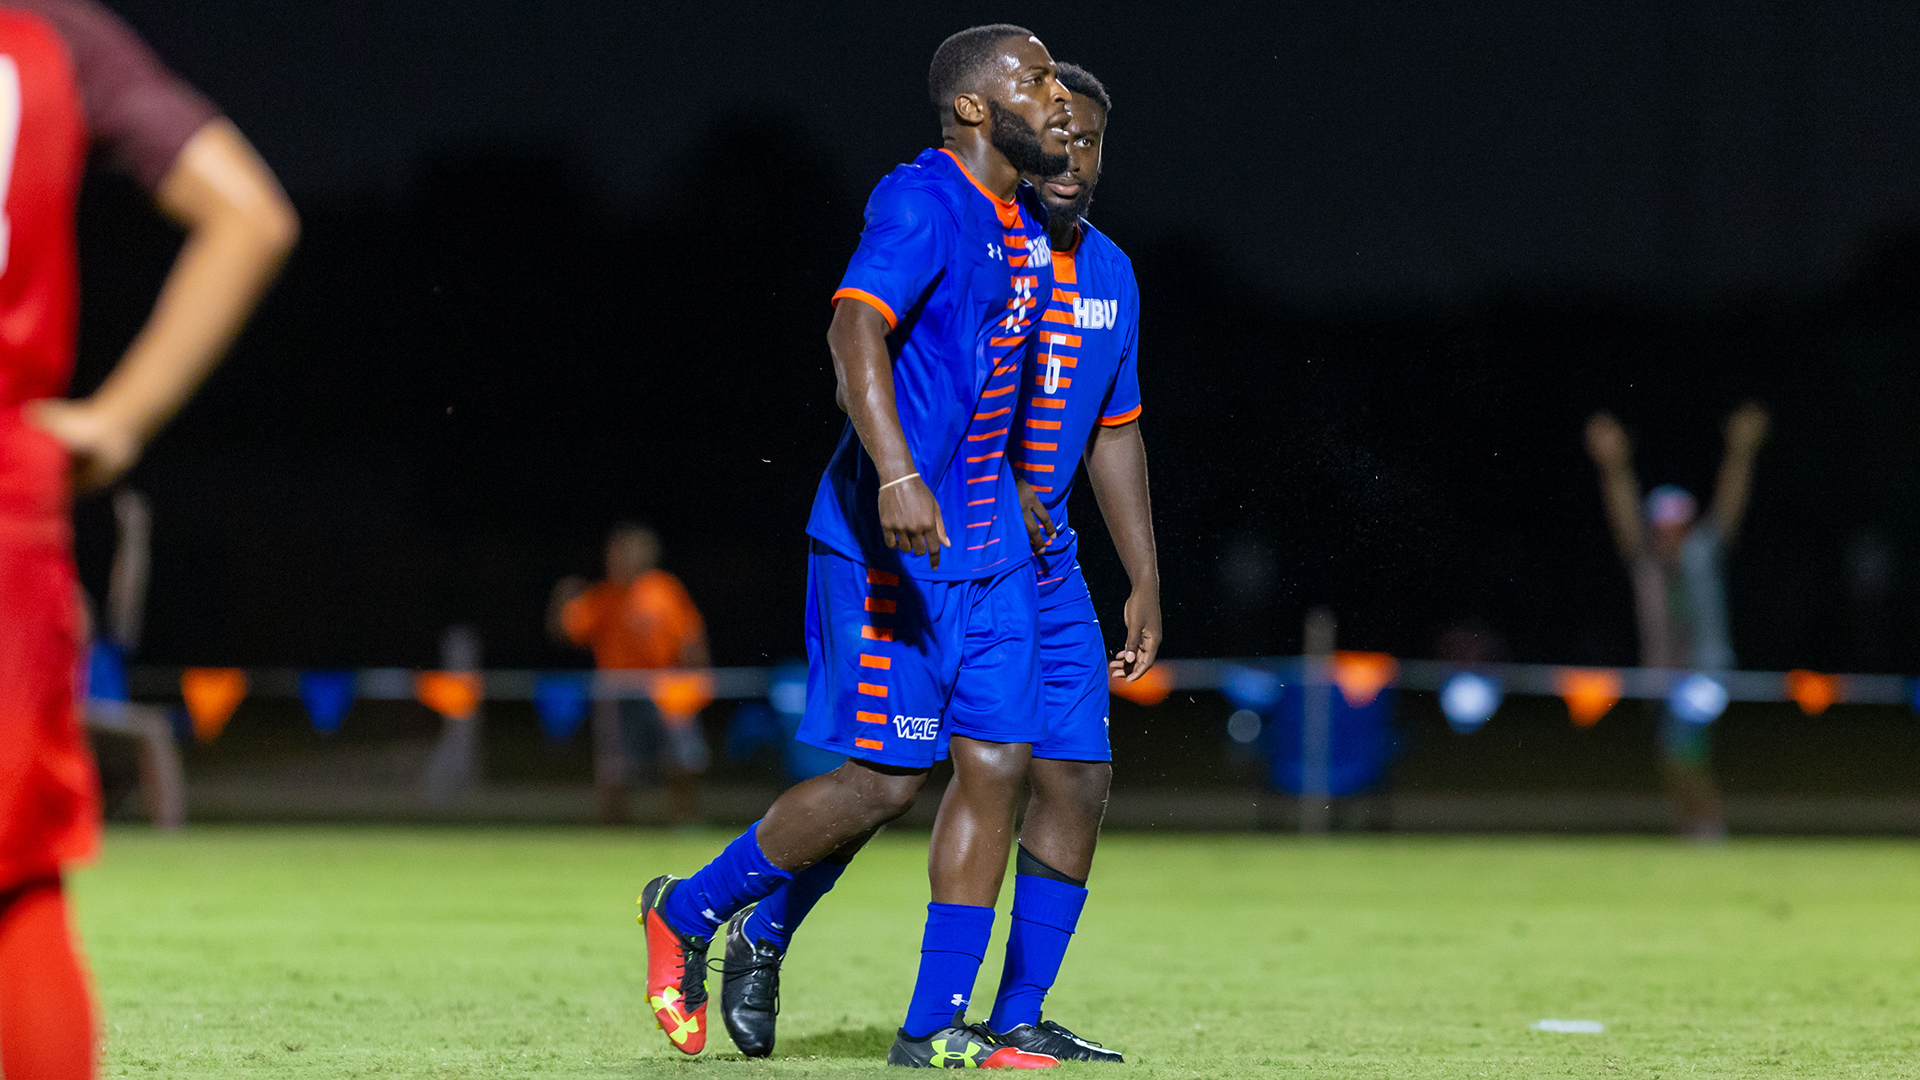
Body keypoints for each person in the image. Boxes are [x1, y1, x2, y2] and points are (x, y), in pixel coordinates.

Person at [636, 24, 1070, 1069]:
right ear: (973, 107)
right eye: (1037, 79)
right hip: (885, 544)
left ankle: (932, 1030)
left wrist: (1010, 483)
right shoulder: (920, 202)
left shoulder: (1022, 229)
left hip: (990, 548)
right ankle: (690, 913)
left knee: (1002, 765)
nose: (1057, 97)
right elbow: (852, 337)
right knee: (883, 781)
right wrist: (899, 474)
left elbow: (980, 382)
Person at [716, 62, 1158, 1065]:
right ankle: (769, 925)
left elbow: (1117, 431)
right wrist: (922, 482)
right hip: (948, 554)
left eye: (1089, 142)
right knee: (896, 780)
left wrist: (1145, 574)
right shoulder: (973, 241)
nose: (1072, 156)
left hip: (1047, 571)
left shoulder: (1110, 275)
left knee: (1076, 777)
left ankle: (1011, 1016)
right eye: (1059, 133)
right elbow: (913, 374)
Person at [0, 2, 298, 1075]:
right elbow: (249, 215)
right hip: (8, 509)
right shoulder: (53, 33)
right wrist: (117, 422)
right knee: (18, 895)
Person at [1585, 401, 1770, 840]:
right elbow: (1624, 516)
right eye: (1663, 525)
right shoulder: (1645, 562)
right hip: (1663, 672)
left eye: (1678, 525)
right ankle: (1694, 827)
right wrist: (1613, 465)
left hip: (1706, 669)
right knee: (1672, 757)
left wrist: (1741, 453)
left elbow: (1728, 507)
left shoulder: (1702, 553)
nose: (1670, 533)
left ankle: (1710, 828)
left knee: (1681, 749)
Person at [551, 523, 711, 825]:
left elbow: (691, 636)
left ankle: (686, 822)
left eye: (625, 553)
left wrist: (698, 682)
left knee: (684, 760)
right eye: (613, 554)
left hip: (665, 688)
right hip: (618, 691)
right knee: (615, 767)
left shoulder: (664, 590)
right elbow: (566, 632)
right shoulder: (603, 596)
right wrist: (562, 597)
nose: (617, 561)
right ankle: (614, 829)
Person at [81, 488, 185, 830]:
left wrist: (135, 534)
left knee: (154, 726)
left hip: (115, 728)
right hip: (70, 720)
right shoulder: (48, 647)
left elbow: (127, 592)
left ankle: (170, 831)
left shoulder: (107, 647)